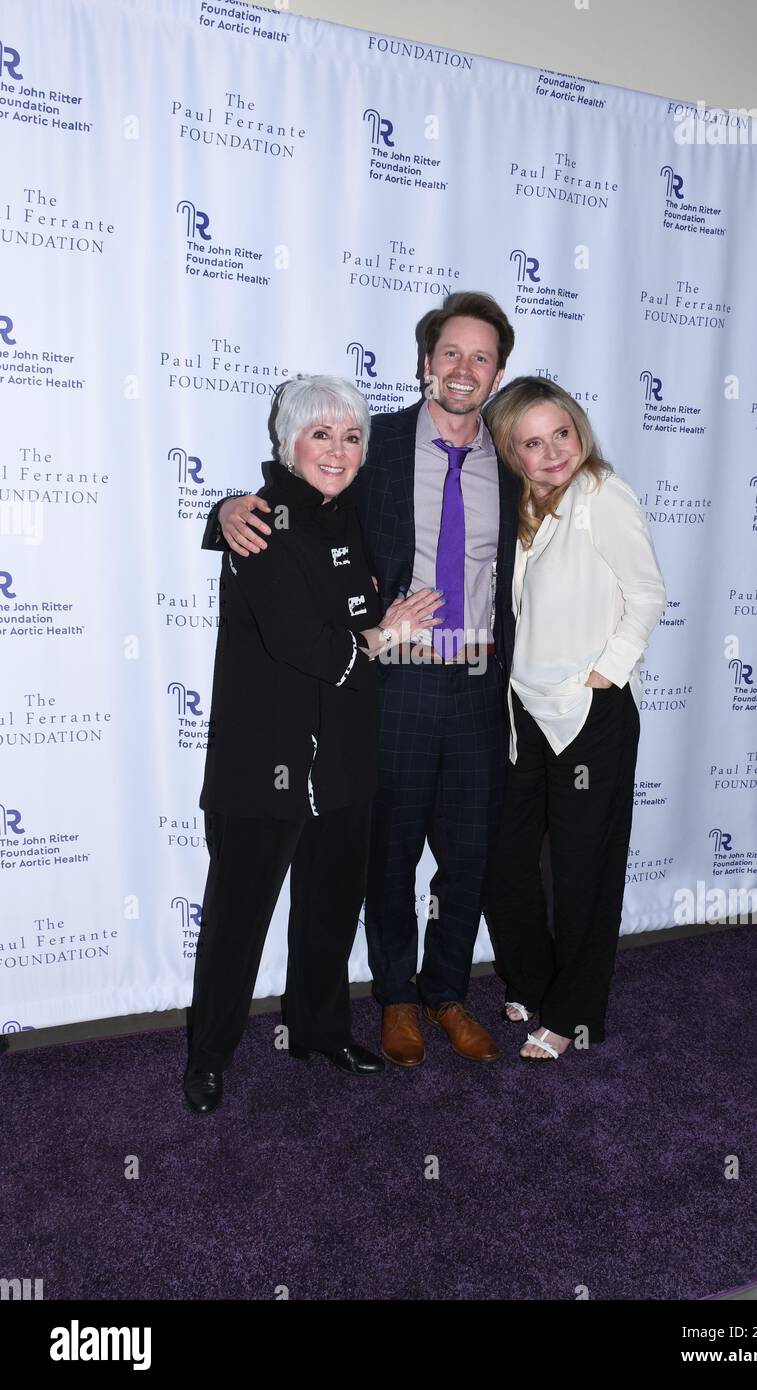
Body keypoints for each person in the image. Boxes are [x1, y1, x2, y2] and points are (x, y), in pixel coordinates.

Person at [206, 293, 521, 1067]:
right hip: (394, 680)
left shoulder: (512, 463)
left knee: (469, 852)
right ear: (425, 362)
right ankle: (397, 1000)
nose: (463, 369)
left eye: (480, 357)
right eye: (450, 352)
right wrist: (224, 511)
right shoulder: (376, 445)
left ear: (498, 372)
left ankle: (449, 993)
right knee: (387, 857)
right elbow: (303, 495)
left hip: (480, 680)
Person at [184, 375, 442, 1113]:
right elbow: (301, 642)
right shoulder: (259, 520)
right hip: (263, 759)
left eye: (352, 435)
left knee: (331, 910)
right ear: (287, 442)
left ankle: (318, 1032)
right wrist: (380, 636)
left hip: (347, 757)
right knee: (237, 922)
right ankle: (207, 1057)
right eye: (320, 434)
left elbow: (367, 624)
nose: (338, 448)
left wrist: (391, 628)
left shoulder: (361, 517)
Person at [481, 377, 667, 1061]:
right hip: (524, 713)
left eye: (561, 432)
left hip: (590, 712)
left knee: (585, 872)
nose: (553, 450)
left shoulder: (599, 494)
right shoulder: (521, 507)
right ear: (512, 453)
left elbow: (647, 593)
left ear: (579, 429)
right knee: (507, 861)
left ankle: (576, 1012)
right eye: (532, 442)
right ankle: (532, 978)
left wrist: (603, 675)